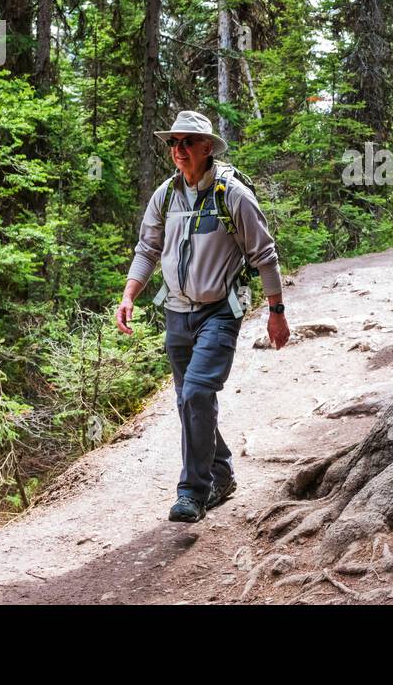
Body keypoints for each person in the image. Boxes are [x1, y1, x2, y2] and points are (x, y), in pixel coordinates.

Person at [115, 110, 290, 523]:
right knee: (188, 401)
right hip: (175, 312)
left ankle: (193, 491)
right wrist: (129, 296)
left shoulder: (233, 195)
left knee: (195, 393)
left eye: (186, 143)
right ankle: (222, 468)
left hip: (219, 313)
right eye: (173, 143)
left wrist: (276, 312)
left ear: (206, 148)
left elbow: (264, 255)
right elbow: (147, 249)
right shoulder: (166, 195)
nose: (178, 150)